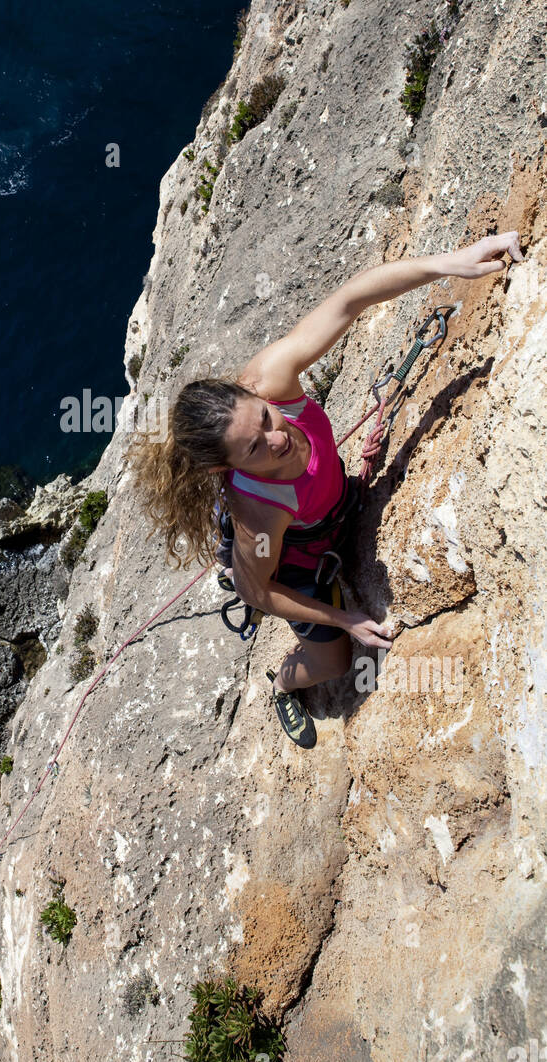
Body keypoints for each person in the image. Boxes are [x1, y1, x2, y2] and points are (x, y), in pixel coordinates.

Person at [127, 231, 523, 748]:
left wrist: (451, 262)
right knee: (331, 660)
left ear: (256, 394)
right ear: (223, 469)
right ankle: (282, 688)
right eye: (254, 449)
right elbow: (258, 591)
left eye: (267, 418)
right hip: (296, 559)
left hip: (332, 507)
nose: (279, 439)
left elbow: (350, 300)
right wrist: (345, 618)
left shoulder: (272, 378)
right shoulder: (258, 512)